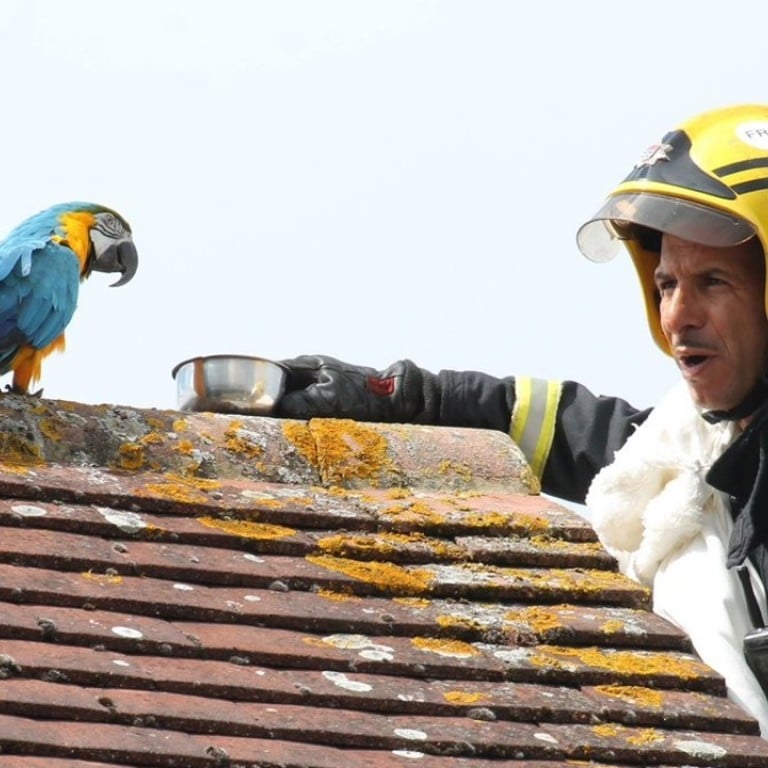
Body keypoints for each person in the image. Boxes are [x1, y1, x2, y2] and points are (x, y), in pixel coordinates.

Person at [276, 104, 768, 735]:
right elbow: (590, 437)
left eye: (714, 282)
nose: (677, 317)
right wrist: (407, 397)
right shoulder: (702, 446)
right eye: (667, 284)